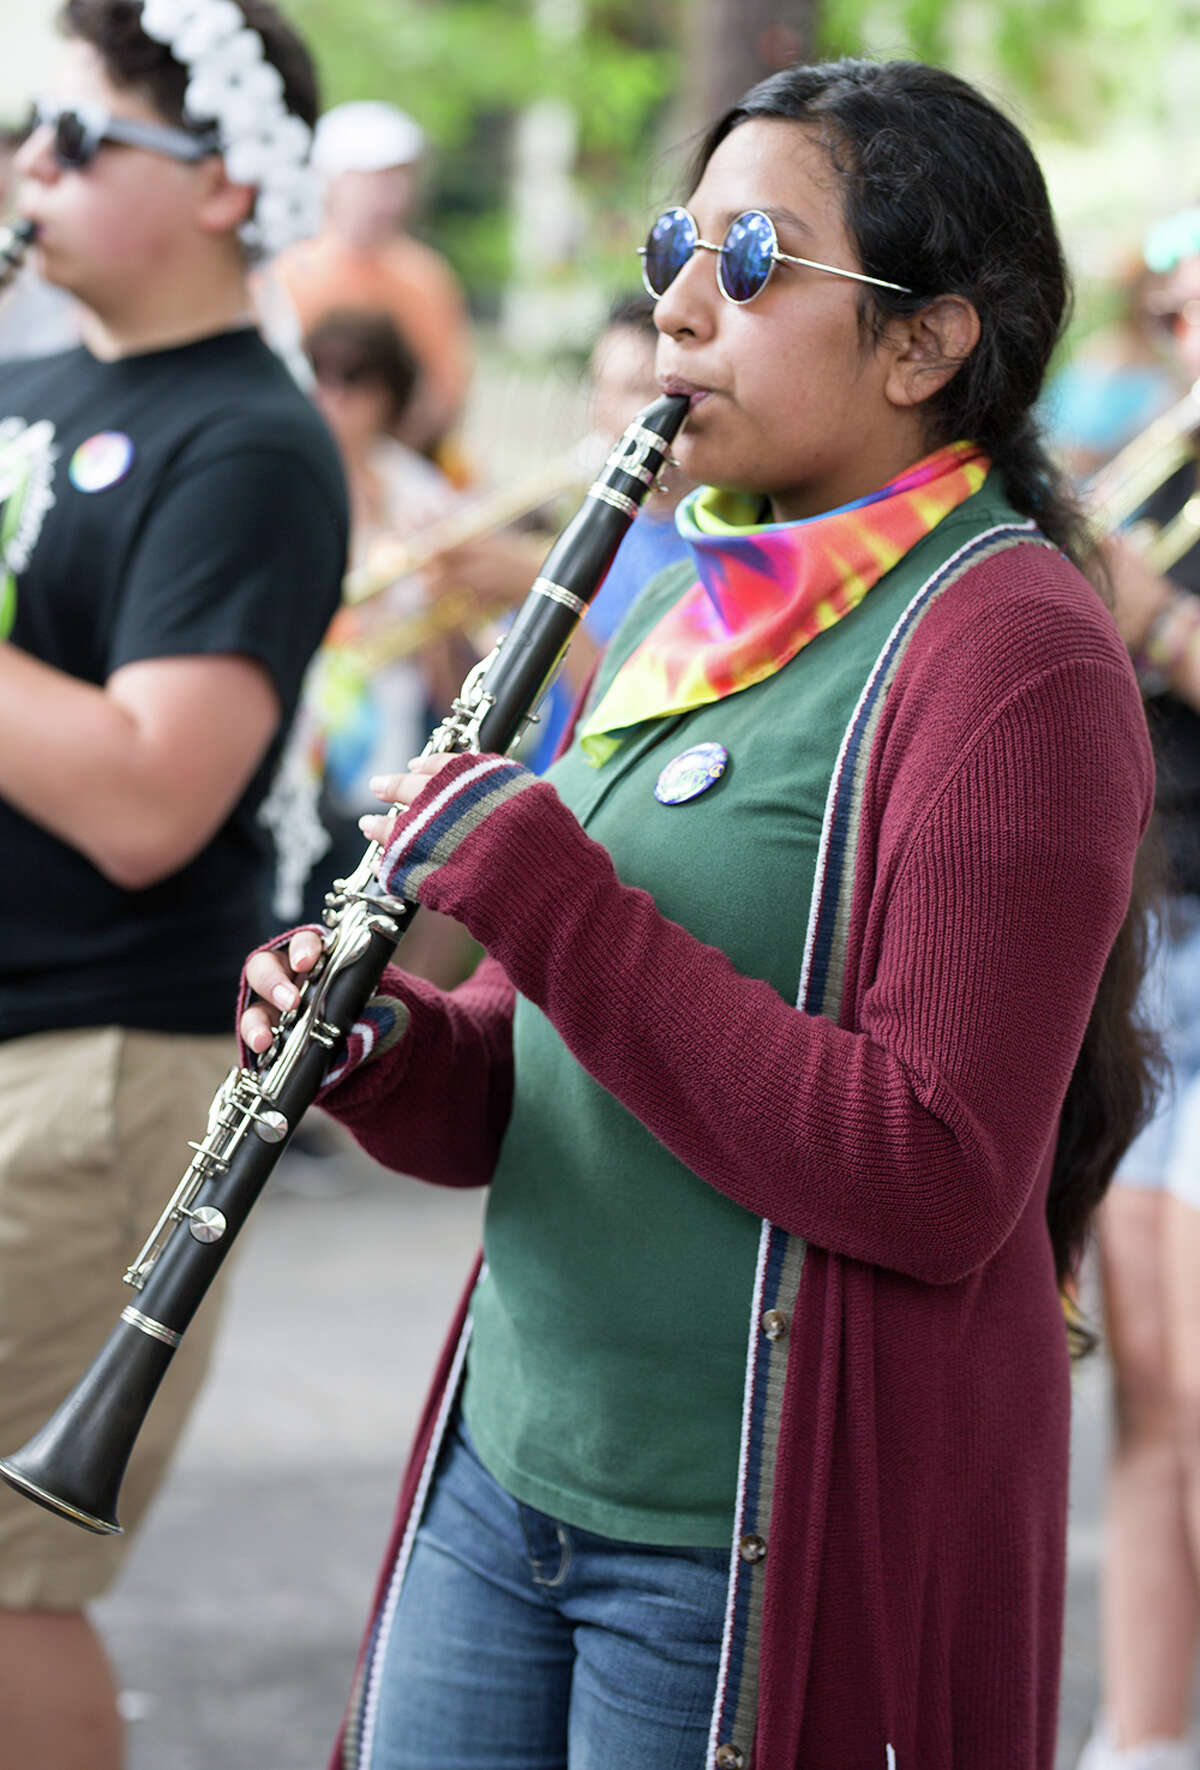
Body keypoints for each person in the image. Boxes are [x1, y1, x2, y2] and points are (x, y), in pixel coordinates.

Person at [244, 59, 1158, 1770]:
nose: (674, 302)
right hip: (506, 1469)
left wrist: (547, 896)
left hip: (735, 1533)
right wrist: (378, 1053)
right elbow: (555, 1086)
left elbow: (938, 1174)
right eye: (682, 239)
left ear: (921, 343)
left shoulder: (1012, 652)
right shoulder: (699, 588)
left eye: (751, 258)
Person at [0, 2, 348, 1766]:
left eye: (78, 138)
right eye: (28, 130)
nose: (27, 165)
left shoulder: (252, 440)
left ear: (221, 186)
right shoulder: (23, 380)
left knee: (5, 1586)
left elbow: (149, 795)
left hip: (99, 1057)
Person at [1077, 210, 1200, 1770]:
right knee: (1149, 1386)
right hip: (1156, 935)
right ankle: (1142, 1730)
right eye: (1178, 309)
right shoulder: (1162, 462)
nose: (1188, 336)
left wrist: (1143, 605)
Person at [270, 98, 472, 462]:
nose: (392, 196)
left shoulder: (425, 278)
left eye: (401, 179)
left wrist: (386, 461)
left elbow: (445, 392)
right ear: (331, 180)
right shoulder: (286, 274)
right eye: (376, 179)